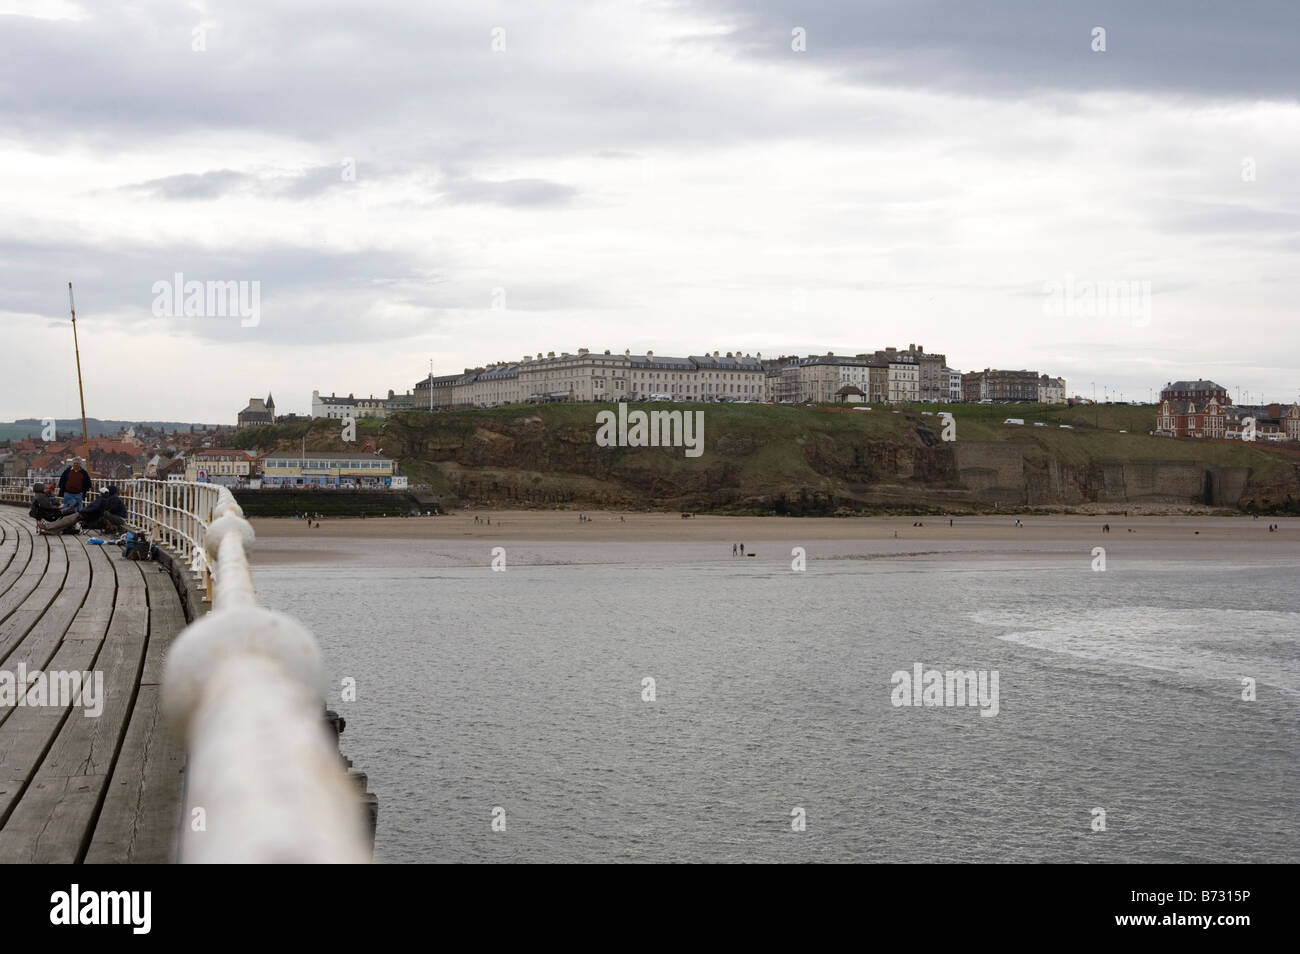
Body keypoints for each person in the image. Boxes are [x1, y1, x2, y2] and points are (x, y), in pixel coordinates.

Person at [39, 485, 127, 535]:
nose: (99, 493)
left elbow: (95, 510)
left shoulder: (104, 500)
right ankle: (52, 530)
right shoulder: (106, 500)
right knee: (68, 521)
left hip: (86, 515)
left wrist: (82, 511)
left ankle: (48, 527)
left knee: (68, 519)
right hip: (86, 515)